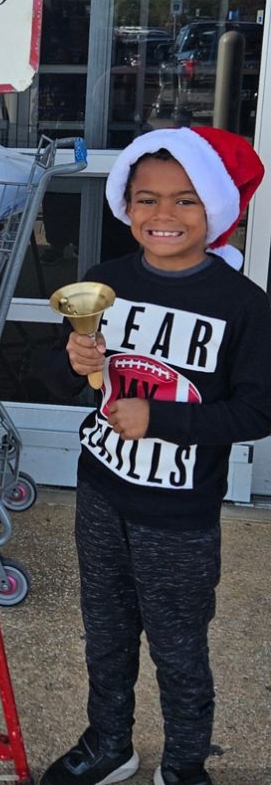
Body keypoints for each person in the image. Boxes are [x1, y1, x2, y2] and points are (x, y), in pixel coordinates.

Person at [39, 126, 271, 785]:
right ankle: (110, 743)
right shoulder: (103, 283)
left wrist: (159, 416)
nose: (162, 215)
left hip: (179, 513)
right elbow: (57, 380)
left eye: (185, 200)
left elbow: (258, 410)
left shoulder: (243, 306)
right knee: (106, 636)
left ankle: (185, 763)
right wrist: (71, 358)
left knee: (178, 648)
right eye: (146, 198)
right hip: (102, 493)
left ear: (218, 210)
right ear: (126, 204)